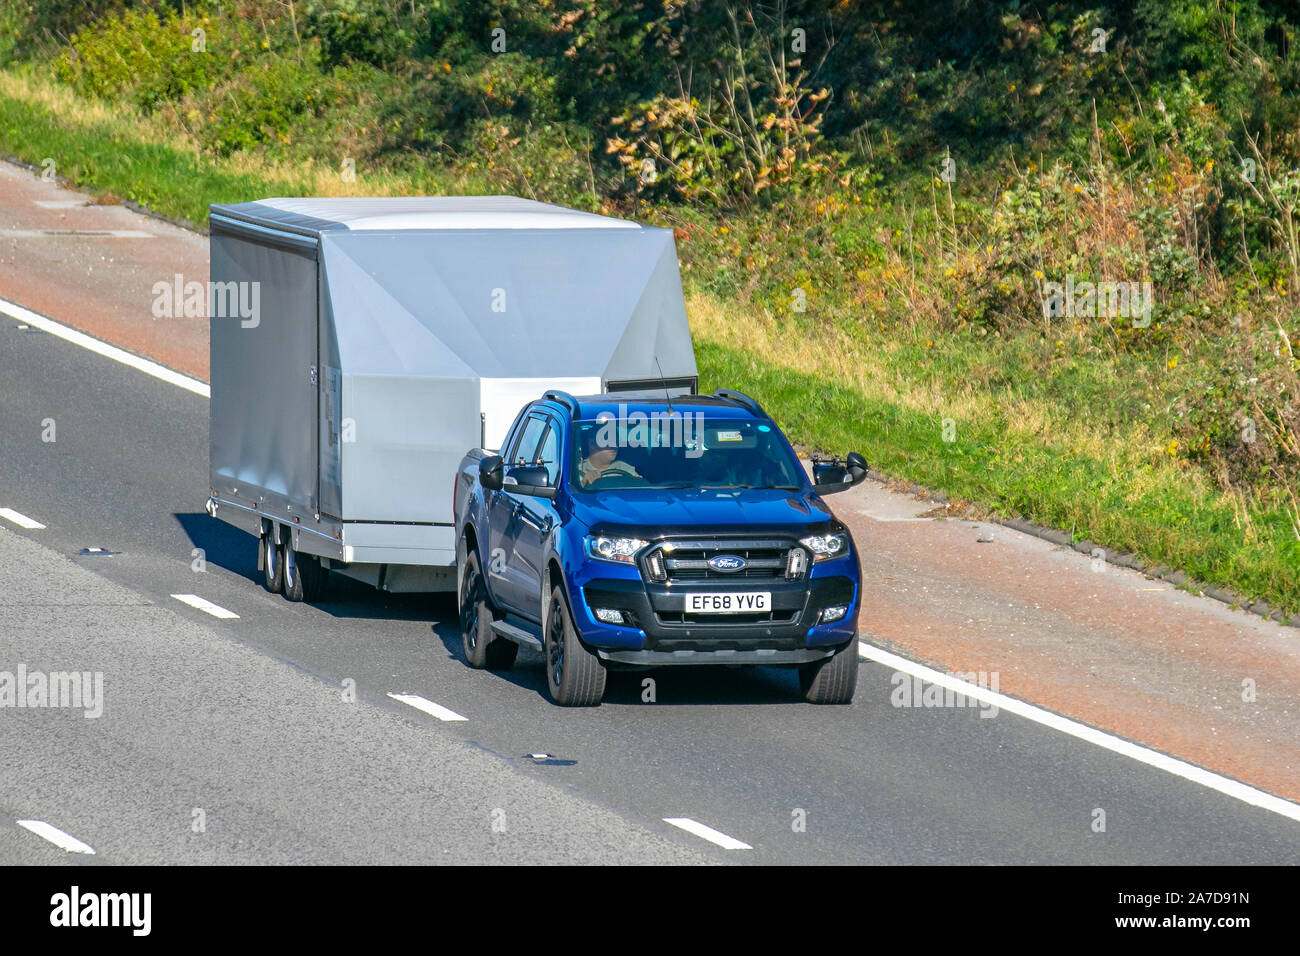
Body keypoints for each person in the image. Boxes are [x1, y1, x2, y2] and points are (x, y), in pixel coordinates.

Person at [577, 432, 642, 487]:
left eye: (616, 442)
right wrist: (584, 483)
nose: (615, 446)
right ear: (592, 444)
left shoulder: (623, 467)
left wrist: (638, 482)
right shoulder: (577, 470)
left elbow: (637, 489)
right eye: (609, 441)